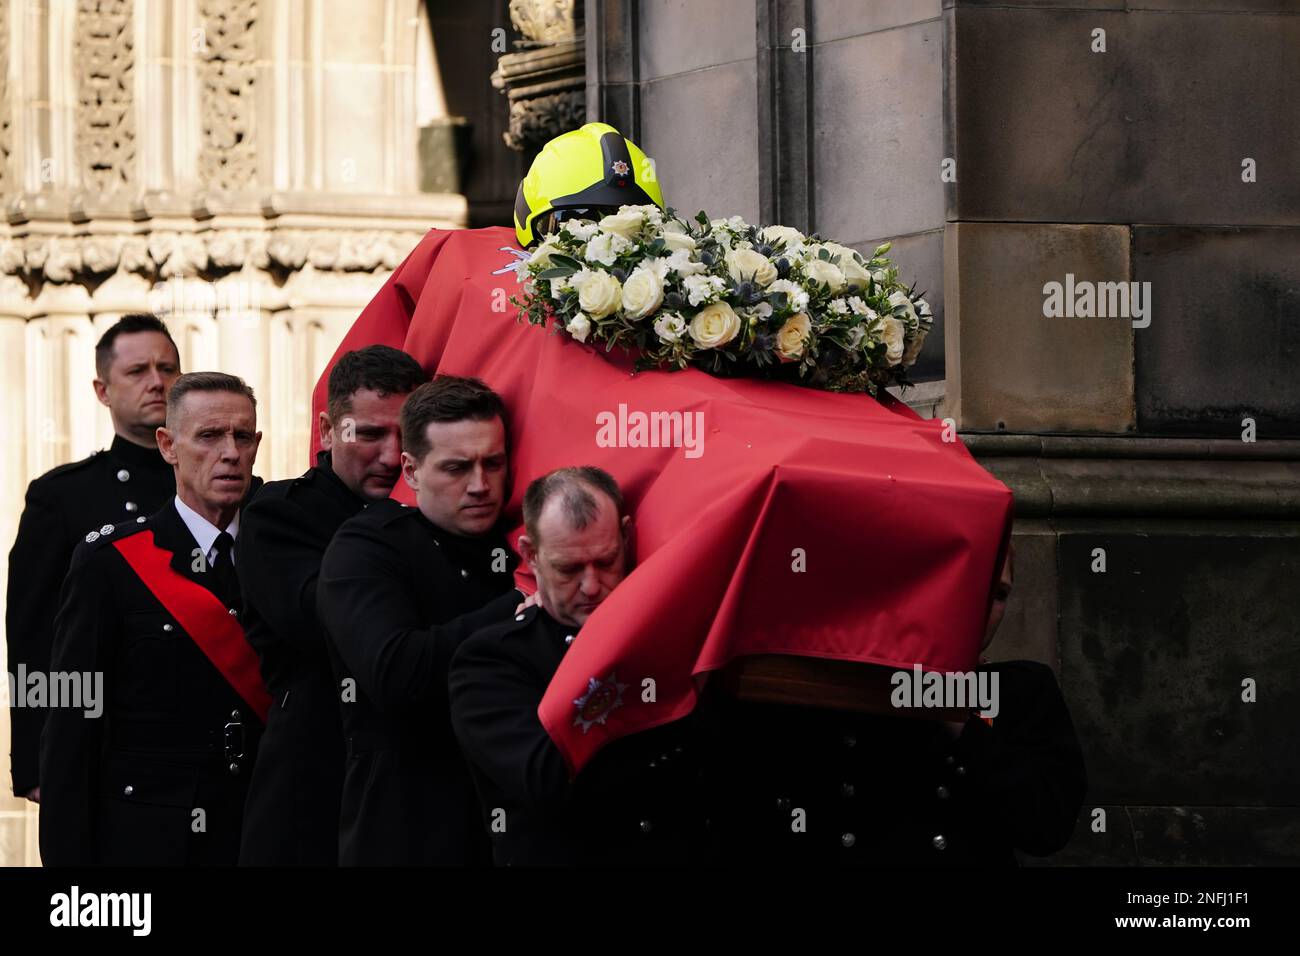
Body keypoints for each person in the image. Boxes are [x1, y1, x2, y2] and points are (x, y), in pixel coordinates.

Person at [705, 542, 1088, 865]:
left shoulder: (1020, 688)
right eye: (971, 583)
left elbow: (1046, 827)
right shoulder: (843, 686)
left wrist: (954, 712)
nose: (986, 605)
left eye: (1001, 593)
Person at [39, 372, 266, 865]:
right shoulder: (110, 562)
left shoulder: (285, 552)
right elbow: (71, 724)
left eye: (242, 436)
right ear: (168, 446)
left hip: (263, 829)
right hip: (152, 838)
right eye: (208, 436)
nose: (230, 452)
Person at [450, 466, 709, 866]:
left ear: (625, 536)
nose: (591, 586)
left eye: (606, 562)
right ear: (530, 555)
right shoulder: (489, 661)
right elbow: (547, 782)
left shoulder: (667, 634)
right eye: (569, 569)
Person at [316, 376, 523, 866]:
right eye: (456, 468)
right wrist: (522, 602)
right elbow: (397, 672)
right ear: (410, 469)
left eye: (492, 463)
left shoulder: (520, 540)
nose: (479, 485)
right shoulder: (364, 548)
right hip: (408, 831)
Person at [237, 346, 426, 866]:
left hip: (420, 797)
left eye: (406, 437)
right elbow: (339, 626)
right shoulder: (277, 516)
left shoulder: (446, 518)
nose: (392, 456)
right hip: (314, 793)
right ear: (327, 430)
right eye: (369, 434)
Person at [7, 313, 181, 803]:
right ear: (102, 391)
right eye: (138, 371)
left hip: (208, 740)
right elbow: (36, 636)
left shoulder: (226, 489)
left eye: (168, 368)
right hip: (110, 744)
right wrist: (41, 759)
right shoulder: (63, 497)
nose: (157, 382)